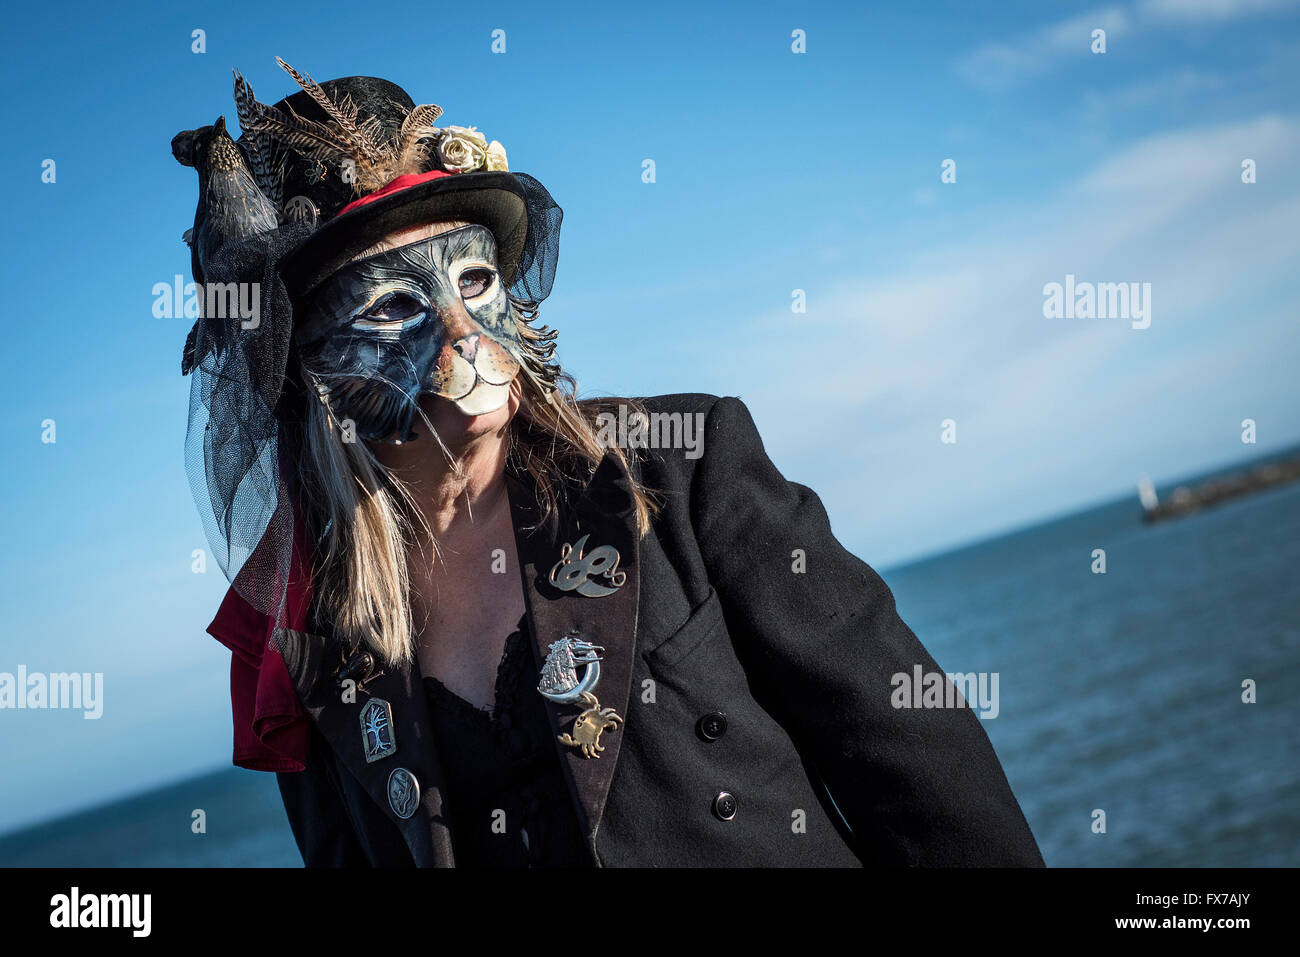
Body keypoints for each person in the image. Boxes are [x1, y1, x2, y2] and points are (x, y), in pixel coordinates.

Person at [177, 60, 1044, 867]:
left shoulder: (684, 468)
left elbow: (913, 753)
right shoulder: (308, 634)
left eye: (474, 282)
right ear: (308, 369)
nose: (463, 336)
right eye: (397, 303)